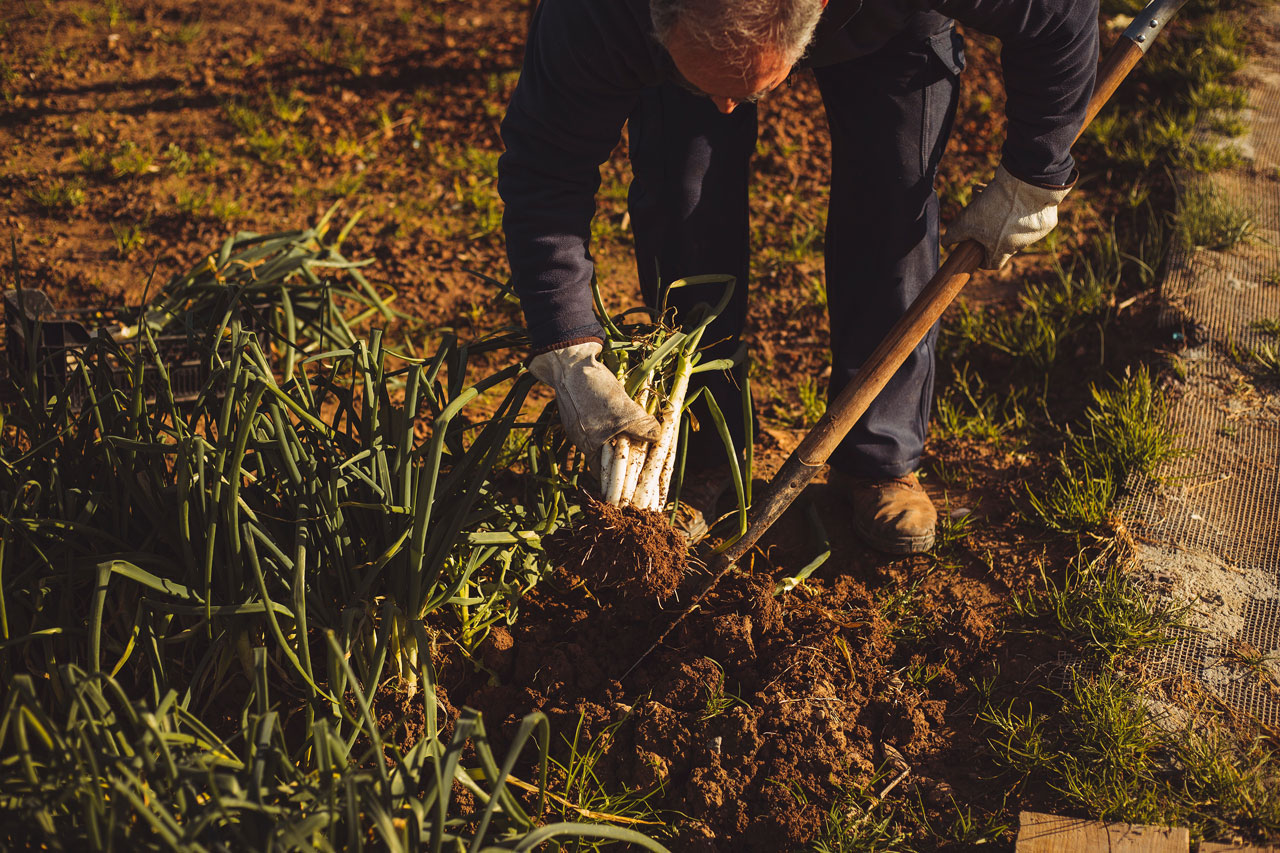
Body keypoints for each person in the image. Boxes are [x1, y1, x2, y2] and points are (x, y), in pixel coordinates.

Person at [500, 0, 1098, 554]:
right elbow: (545, 166)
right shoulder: (598, 14)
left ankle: (878, 460)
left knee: (894, 200)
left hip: (889, 24)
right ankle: (706, 456)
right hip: (666, 42)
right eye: (709, 80)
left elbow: (1060, 16)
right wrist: (568, 345)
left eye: (746, 88)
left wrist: (1036, 173)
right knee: (681, 202)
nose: (727, 108)